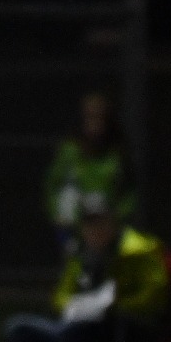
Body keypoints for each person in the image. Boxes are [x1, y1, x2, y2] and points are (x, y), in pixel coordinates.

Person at [5, 194, 167, 342]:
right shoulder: (80, 255)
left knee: (74, 335)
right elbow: (62, 294)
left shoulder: (139, 250)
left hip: (122, 331)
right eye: (90, 224)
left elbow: (155, 295)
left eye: (101, 222)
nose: (96, 229)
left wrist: (114, 306)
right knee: (20, 330)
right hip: (78, 325)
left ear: (114, 222)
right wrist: (74, 306)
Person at [44, 93, 135, 247]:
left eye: (100, 117)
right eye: (90, 117)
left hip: (108, 224)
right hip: (75, 226)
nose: (95, 124)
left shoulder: (117, 153)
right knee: (68, 195)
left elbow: (130, 192)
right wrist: (59, 217)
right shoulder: (70, 151)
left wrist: (117, 218)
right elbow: (53, 187)